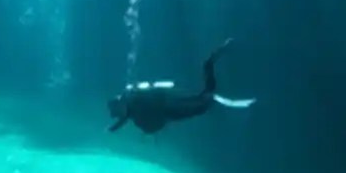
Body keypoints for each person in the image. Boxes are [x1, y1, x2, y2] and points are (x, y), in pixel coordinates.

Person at [106, 38, 256, 135]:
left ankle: (213, 67)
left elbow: (130, 116)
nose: (116, 115)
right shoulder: (129, 104)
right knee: (202, 102)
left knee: (203, 101)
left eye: (115, 111)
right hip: (167, 107)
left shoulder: (131, 99)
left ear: (118, 104)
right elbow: (125, 118)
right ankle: (212, 69)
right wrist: (112, 129)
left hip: (168, 105)